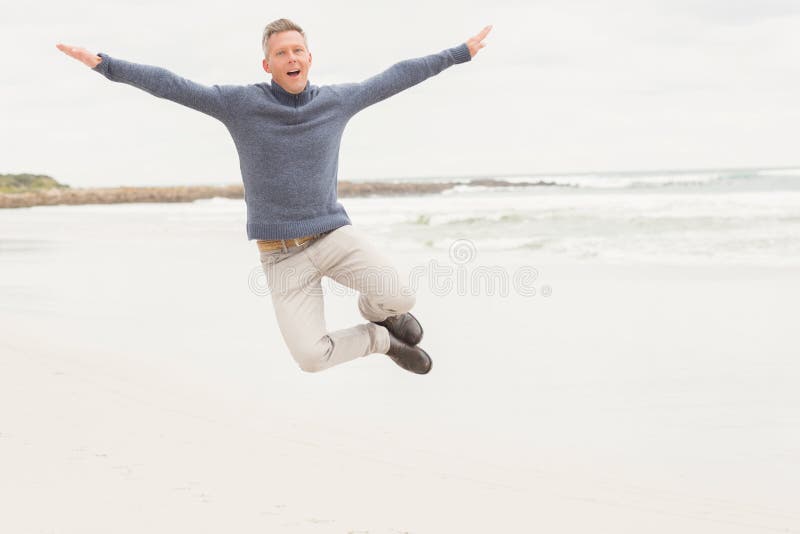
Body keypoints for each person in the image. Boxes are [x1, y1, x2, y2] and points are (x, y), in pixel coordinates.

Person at [56, 19, 492, 375]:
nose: (291, 58)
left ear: (309, 58)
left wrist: (459, 54)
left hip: (333, 237)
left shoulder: (337, 102)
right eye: (281, 53)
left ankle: (380, 312)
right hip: (281, 258)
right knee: (310, 358)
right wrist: (105, 64)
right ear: (267, 64)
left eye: (297, 50)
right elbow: (173, 85)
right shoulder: (240, 105)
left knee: (401, 296)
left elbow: (396, 77)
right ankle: (379, 339)